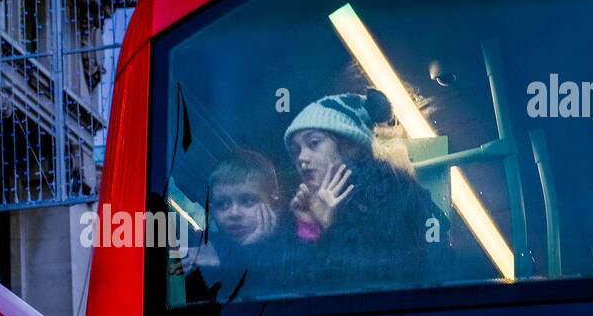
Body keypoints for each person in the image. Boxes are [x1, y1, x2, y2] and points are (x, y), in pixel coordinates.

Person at [283, 89, 448, 291]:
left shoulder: (394, 195)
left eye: (314, 143)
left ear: (349, 145)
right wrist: (309, 228)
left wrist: (331, 226)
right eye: (296, 150)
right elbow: (300, 296)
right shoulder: (307, 209)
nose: (302, 157)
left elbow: (377, 283)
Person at [192, 149, 295, 300]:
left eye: (248, 201)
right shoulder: (208, 250)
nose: (234, 213)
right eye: (223, 204)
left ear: (274, 203)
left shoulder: (291, 246)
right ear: (212, 210)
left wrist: (256, 245)